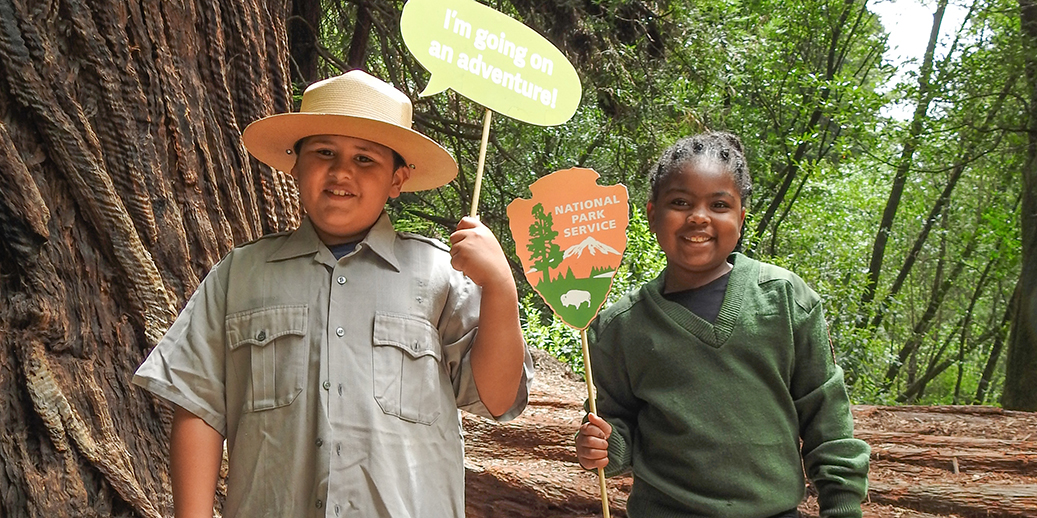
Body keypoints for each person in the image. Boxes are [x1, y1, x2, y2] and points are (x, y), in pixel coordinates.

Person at [133, 69, 533, 518]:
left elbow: (498, 398)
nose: (342, 171)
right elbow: (199, 406)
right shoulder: (240, 276)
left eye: (365, 159)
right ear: (295, 165)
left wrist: (501, 288)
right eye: (324, 152)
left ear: (397, 179)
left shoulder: (443, 275)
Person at [574, 132, 870, 518]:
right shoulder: (619, 326)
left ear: (740, 218)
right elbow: (616, 425)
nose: (698, 217)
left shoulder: (784, 299)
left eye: (718, 205)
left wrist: (842, 505)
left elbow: (827, 418)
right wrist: (601, 446)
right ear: (651, 214)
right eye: (680, 203)